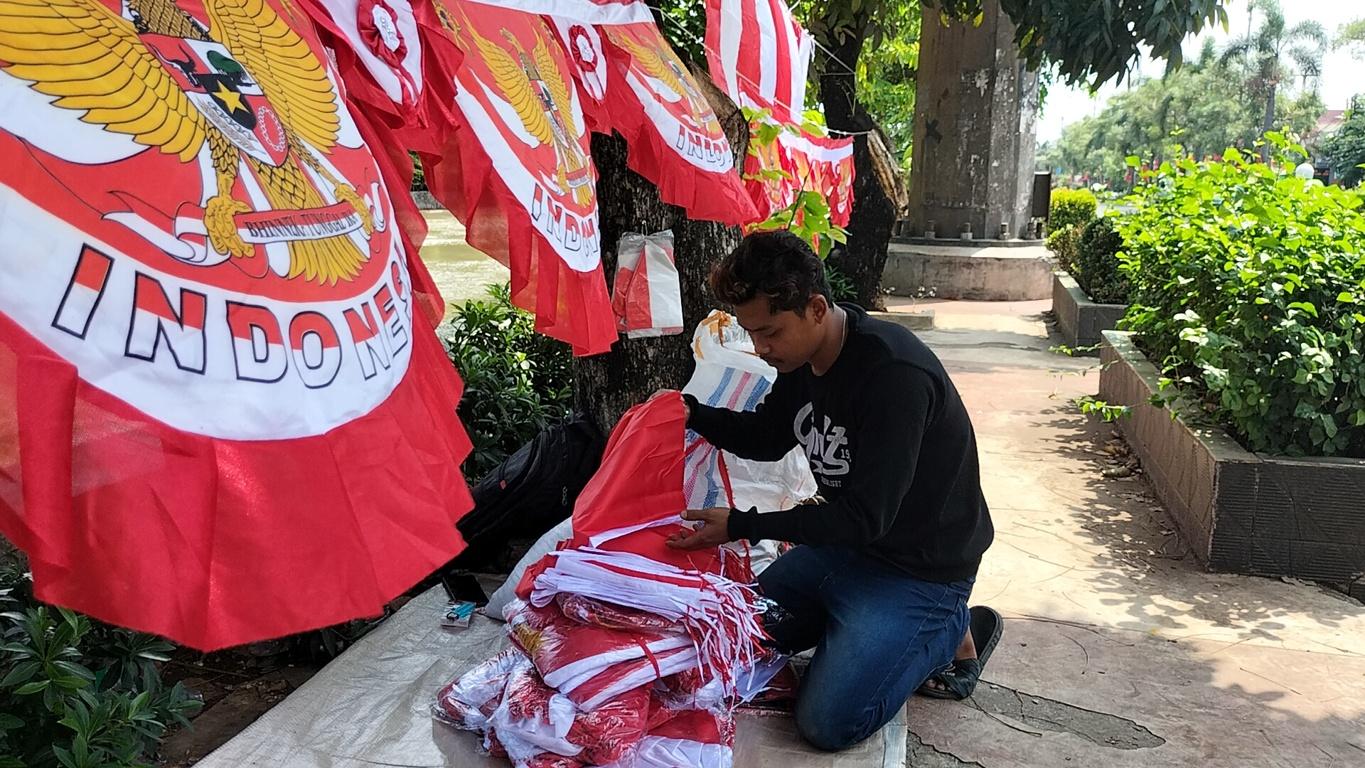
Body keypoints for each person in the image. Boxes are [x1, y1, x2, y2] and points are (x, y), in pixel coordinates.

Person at [665, 230, 1000, 751]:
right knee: (724, 640)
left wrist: (741, 525)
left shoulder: (894, 375)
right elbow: (768, 438)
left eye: (770, 332)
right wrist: (690, 413)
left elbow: (865, 517)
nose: (760, 348)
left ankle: (948, 627)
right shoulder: (799, 363)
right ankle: (856, 628)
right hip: (846, 551)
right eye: (752, 333)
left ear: (816, 308)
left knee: (828, 720)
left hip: (920, 569)